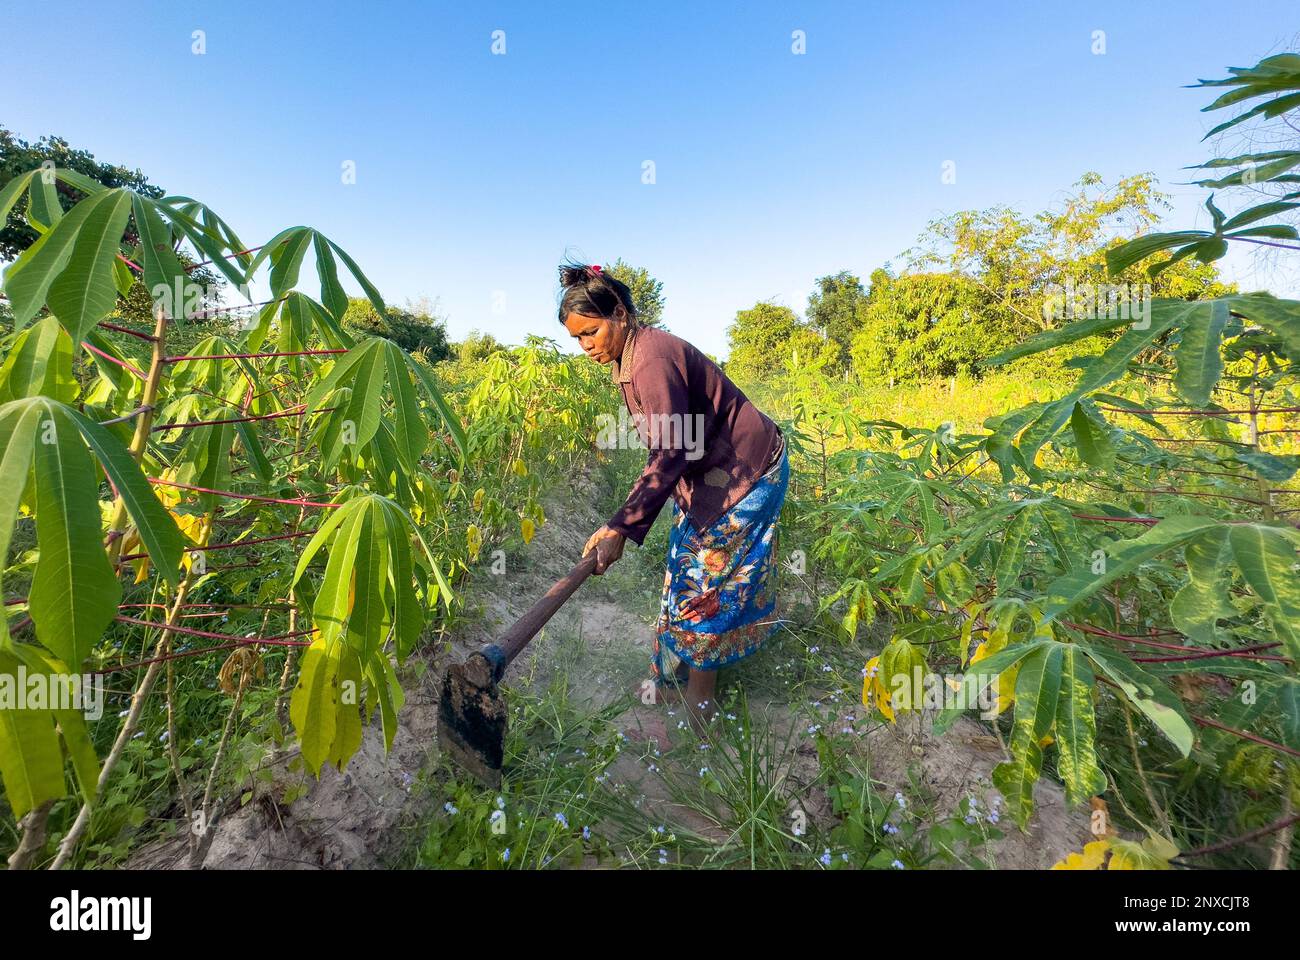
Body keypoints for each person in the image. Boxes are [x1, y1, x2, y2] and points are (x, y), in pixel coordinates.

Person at [558, 261, 789, 729]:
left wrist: (621, 527)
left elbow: (669, 452)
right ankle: (667, 682)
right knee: (683, 570)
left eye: (591, 332)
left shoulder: (652, 360)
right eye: (577, 339)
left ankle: (700, 706)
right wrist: (620, 521)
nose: (585, 347)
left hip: (746, 473)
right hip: (712, 476)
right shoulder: (634, 355)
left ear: (619, 313)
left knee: (706, 583)